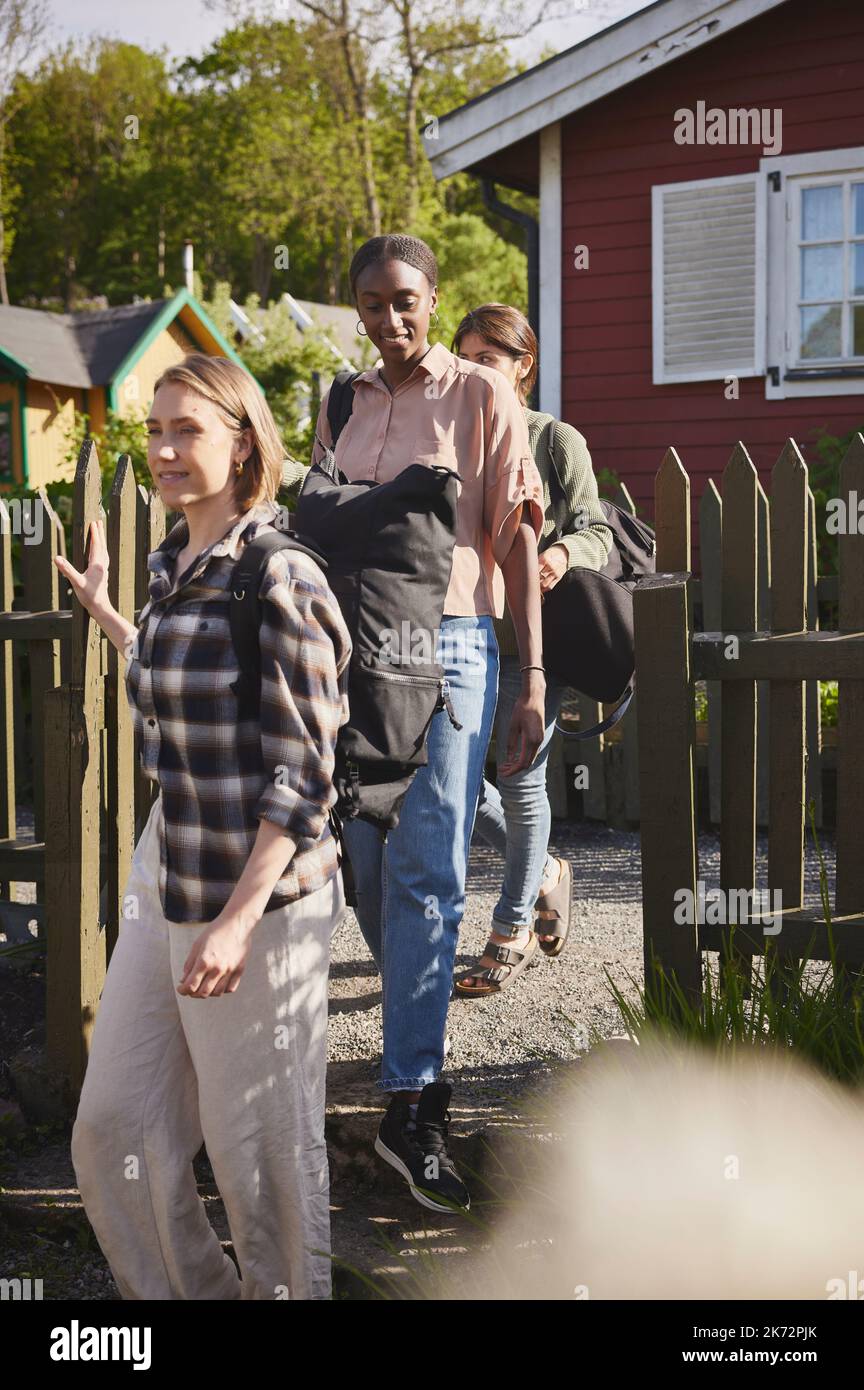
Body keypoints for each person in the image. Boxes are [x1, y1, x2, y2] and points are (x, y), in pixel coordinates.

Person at [62, 353, 351, 1300]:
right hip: (169, 864)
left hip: (259, 896)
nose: (165, 448)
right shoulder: (172, 564)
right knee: (113, 1126)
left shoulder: (281, 575)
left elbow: (305, 770)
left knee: (258, 1156)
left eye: (188, 429)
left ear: (243, 439)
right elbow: (177, 673)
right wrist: (110, 612)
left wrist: (237, 917)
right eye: (154, 430)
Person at [310, 235, 545, 1213]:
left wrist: (529, 675)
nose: (390, 319)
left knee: (425, 870)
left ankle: (415, 1104)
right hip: (359, 647)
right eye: (371, 304)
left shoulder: (483, 398)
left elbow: (518, 536)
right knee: (361, 856)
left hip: (448, 643)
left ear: (433, 298)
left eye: (405, 300)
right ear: (358, 309)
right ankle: (415, 1030)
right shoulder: (346, 404)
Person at [452, 304, 612, 997]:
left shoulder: (555, 439)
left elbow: (598, 532)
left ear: (522, 366)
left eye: (486, 358)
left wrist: (562, 553)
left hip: (529, 644)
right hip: (459, 635)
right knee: (450, 781)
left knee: (519, 781)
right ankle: (545, 871)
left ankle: (509, 923)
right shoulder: (450, 438)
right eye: (463, 358)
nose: (471, 370)